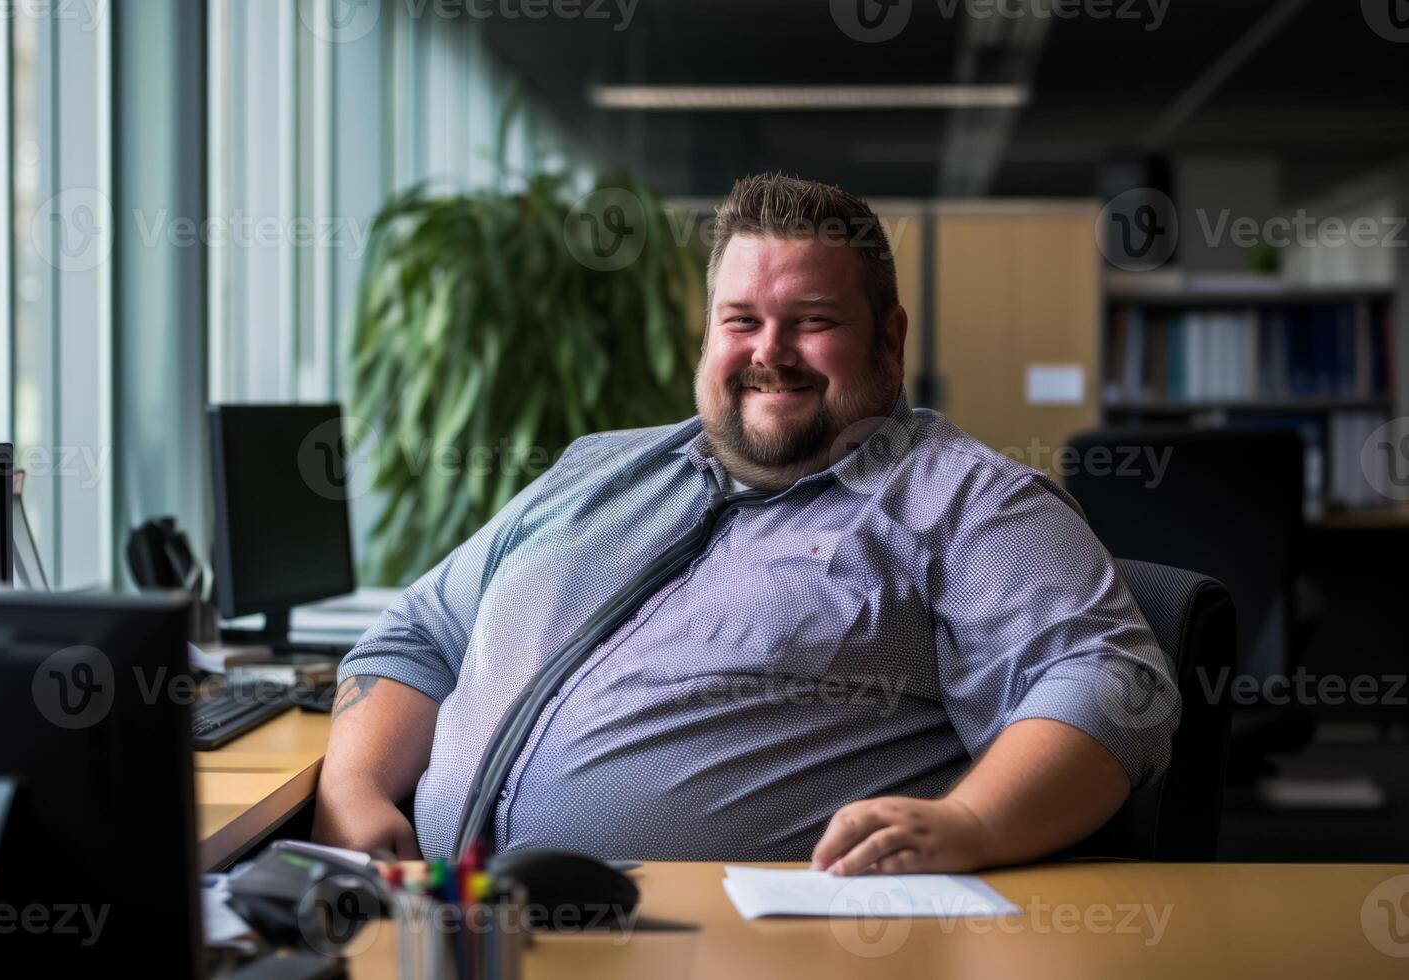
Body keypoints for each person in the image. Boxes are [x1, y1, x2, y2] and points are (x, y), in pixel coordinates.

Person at [313, 172, 1180, 875]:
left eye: (812, 322)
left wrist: (970, 826)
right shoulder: (596, 470)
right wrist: (353, 789)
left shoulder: (963, 502)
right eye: (742, 321)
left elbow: (1111, 682)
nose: (769, 352)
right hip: (443, 926)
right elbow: (421, 634)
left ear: (889, 342)